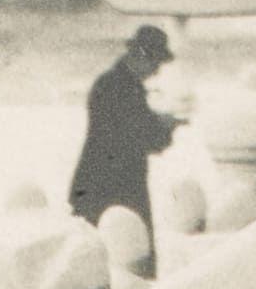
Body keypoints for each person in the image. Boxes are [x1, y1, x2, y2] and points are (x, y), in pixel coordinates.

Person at [68, 25, 177, 267]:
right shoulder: (124, 88)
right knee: (129, 262)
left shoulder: (112, 83)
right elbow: (142, 137)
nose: (157, 70)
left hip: (95, 185)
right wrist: (165, 126)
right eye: (156, 62)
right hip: (116, 188)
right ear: (143, 57)